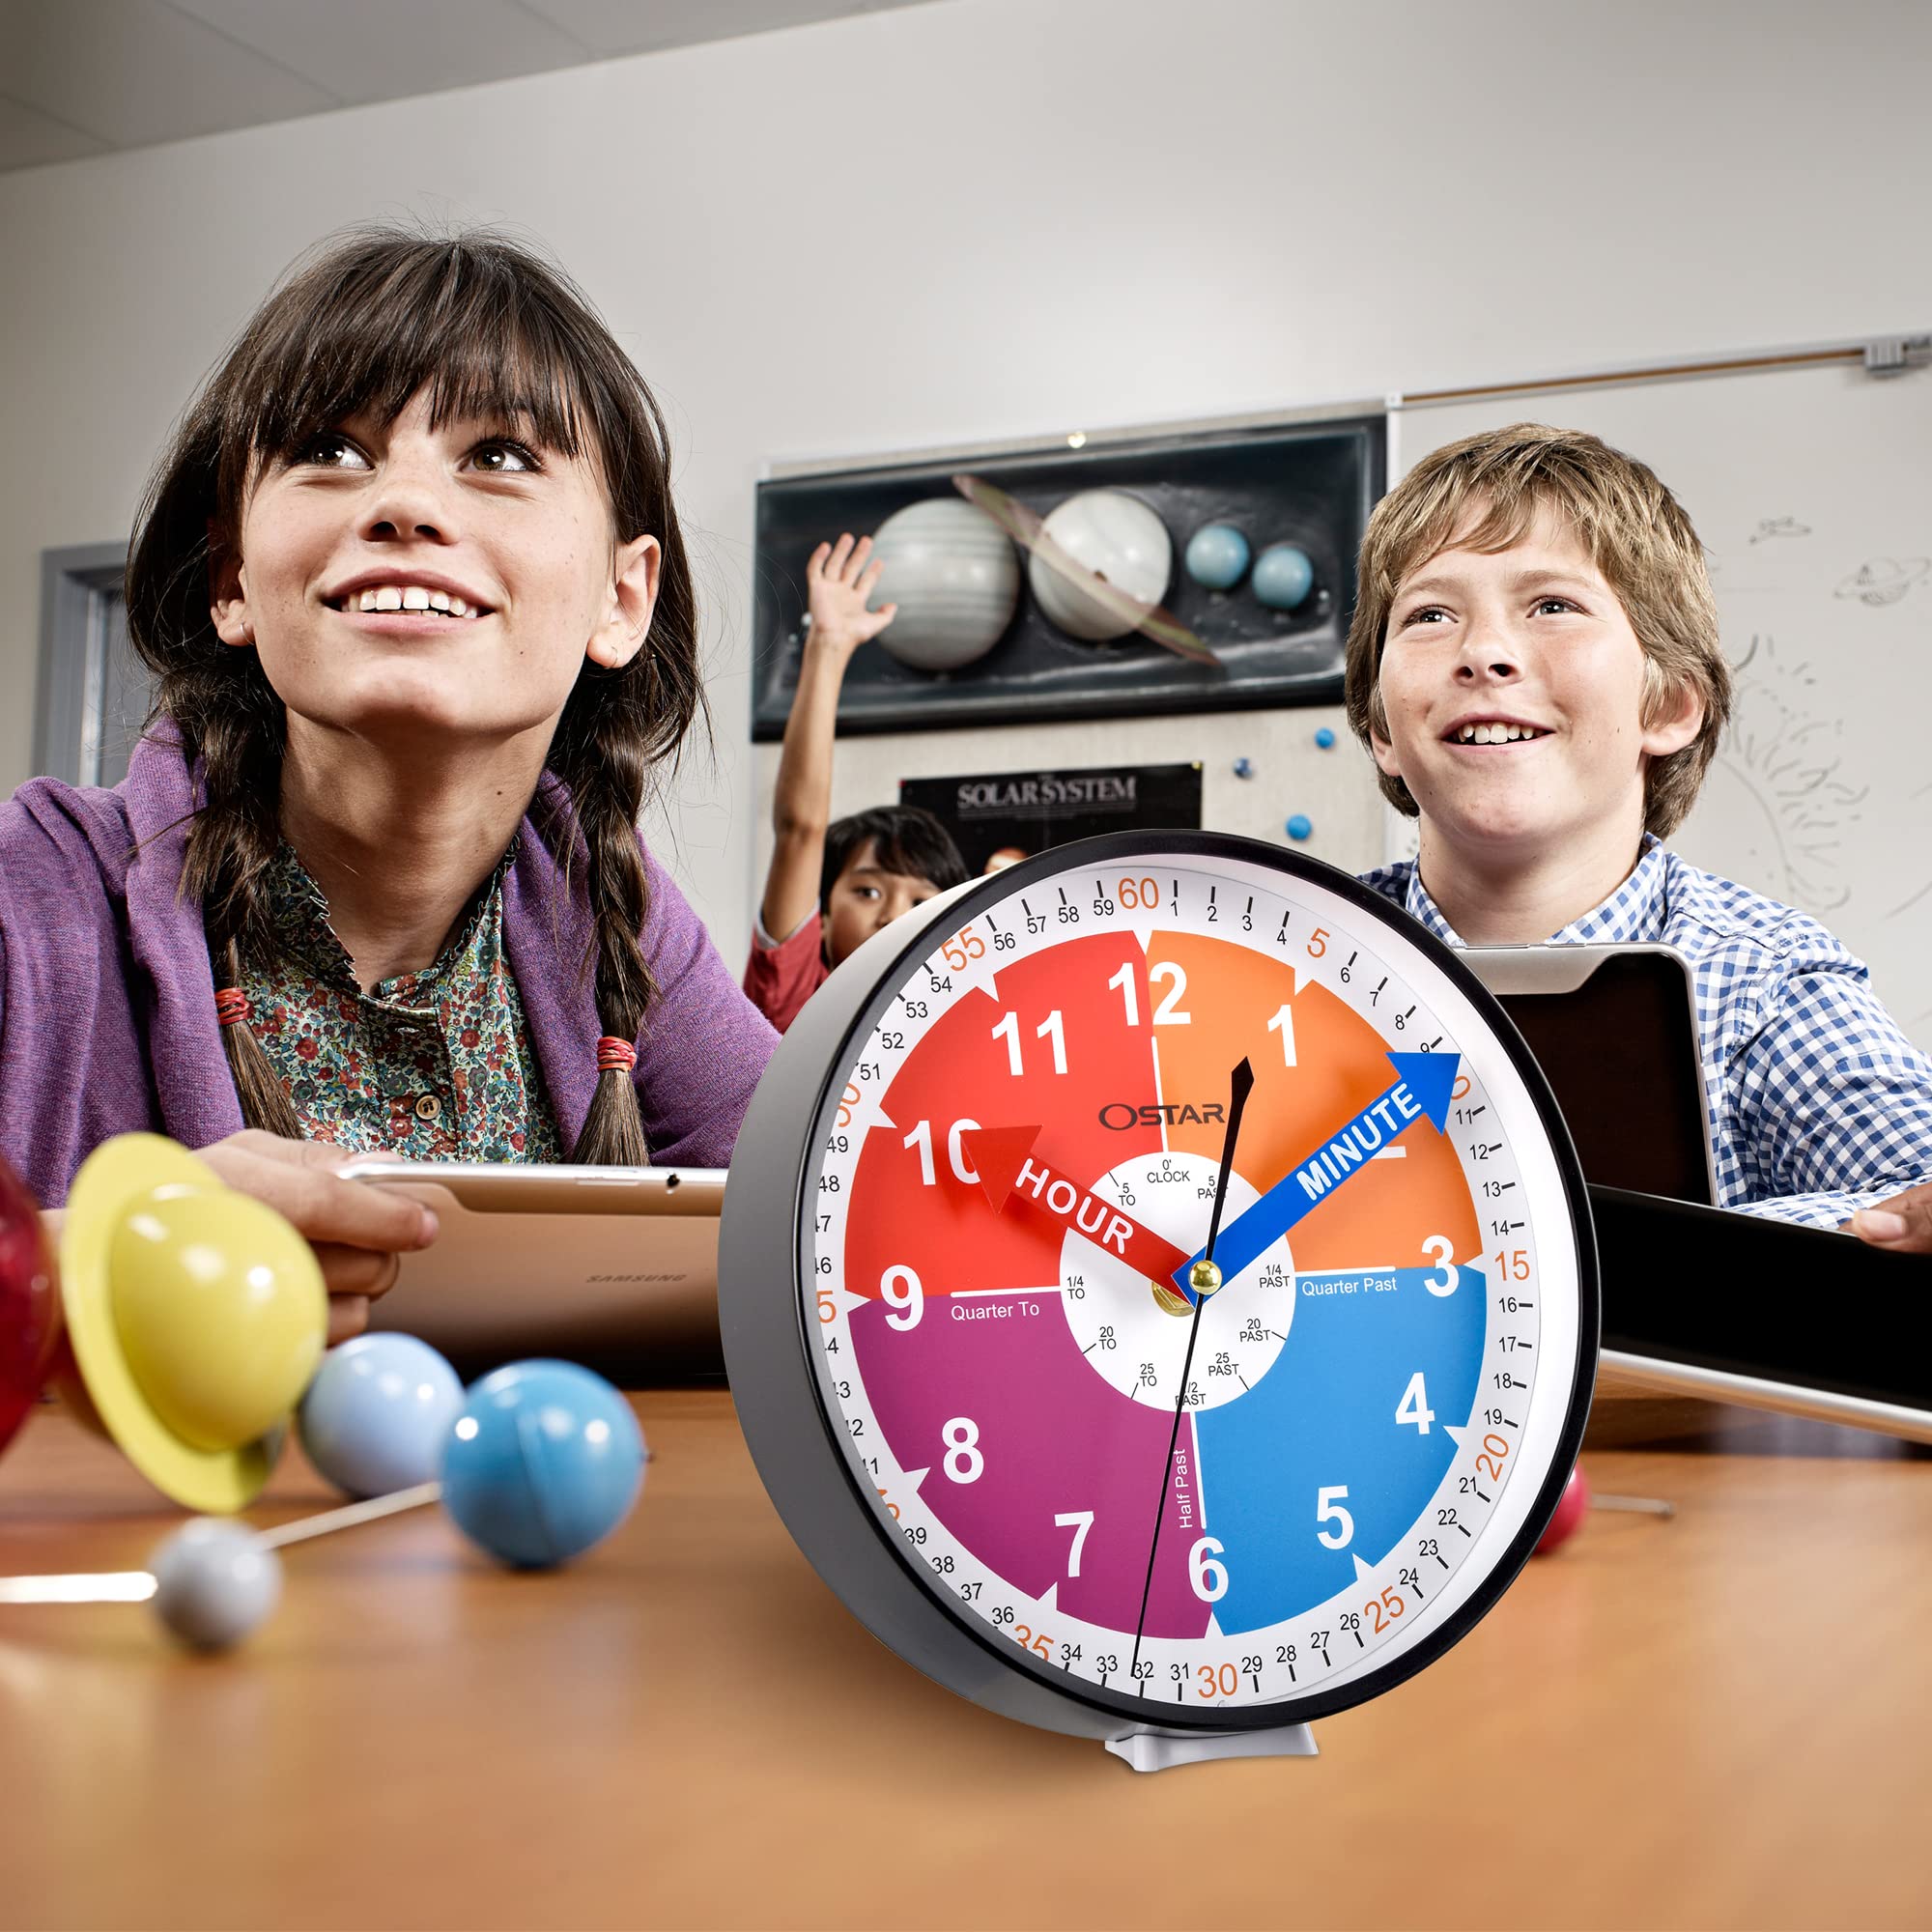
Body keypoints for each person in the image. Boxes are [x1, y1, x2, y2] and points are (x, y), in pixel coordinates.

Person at [0, 228, 777, 1340]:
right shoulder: (29, 894)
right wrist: (93, 1257)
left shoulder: (614, 924)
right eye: (331, 448)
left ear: (621, 597)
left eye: (500, 454)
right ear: (231, 579)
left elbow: (854, 1216)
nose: (403, 505)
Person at [1344, 422, 1932, 1250]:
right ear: (1379, 724)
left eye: (1553, 606)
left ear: (1668, 706)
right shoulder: (1286, 963)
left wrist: (1555, 1257)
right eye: (1432, 613)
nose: (1484, 653)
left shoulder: (1763, 981)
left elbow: (1915, 1198)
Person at [745, 532, 968, 1033]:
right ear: (820, 918)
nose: (893, 917)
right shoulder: (796, 1000)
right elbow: (801, 827)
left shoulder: (967, 1021)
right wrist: (830, 646)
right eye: (867, 892)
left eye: (921, 901)